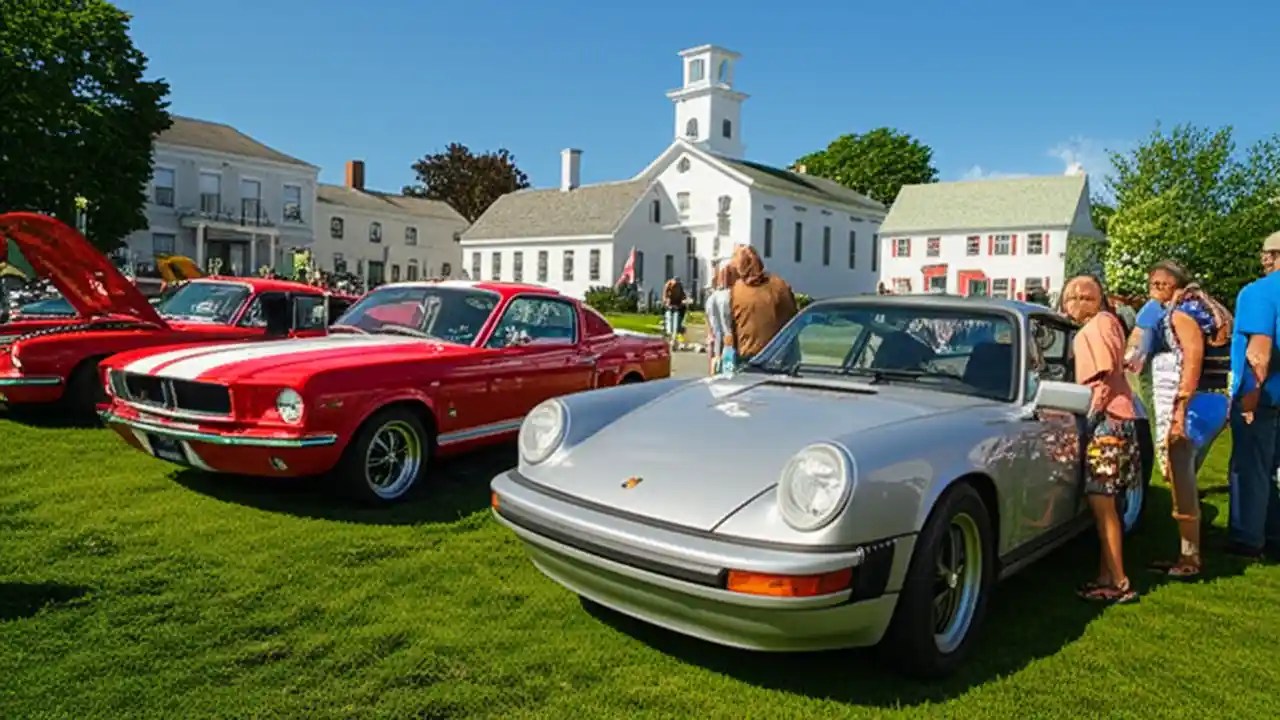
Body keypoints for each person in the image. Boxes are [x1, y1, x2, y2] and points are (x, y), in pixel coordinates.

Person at [1128, 260, 1232, 577]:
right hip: (1215, 400)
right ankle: (1188, 549)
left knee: (1181, 479)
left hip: (1198, 402)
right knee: (1181, 476)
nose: (1154, 292)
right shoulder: (1206, 305)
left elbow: (1192, 359)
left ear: (1171, 285)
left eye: (1158, 285)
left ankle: (1189, 559)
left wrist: (1180, 412)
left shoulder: (1183, 313)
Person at [1061, 275, 1141, 603]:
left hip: (1109, 424)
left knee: (1103, 504)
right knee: (1107, 505)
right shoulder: (1100, 324)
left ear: (1102, 300)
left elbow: (1105, 376)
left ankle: (1119, 582)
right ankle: (1105, 575)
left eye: (1088, 297)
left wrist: (1092, 416)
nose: (1079, 303)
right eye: (1072, 297)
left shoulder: (1101, 324)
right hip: (1117, 421)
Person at [1226, 231, 1280, 559]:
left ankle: (1247, 538)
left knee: (1250, 468)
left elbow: (1258, 353)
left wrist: (1248, 398)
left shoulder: (1259, 293)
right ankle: (1273, 531)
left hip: (1265, 397)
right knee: (1272, 469)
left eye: (1265, 253)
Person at [728, 245, 797, 366]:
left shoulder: (736, 290)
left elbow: (732, 326)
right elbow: (793, 321)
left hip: (748, 355)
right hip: (779, 355)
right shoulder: (780, 285)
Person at [703, 264, 737, 374]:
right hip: (729, 342)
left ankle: (714, 367)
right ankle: (725, 370)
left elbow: (708, 320)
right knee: (727, 335)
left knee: (714, 336)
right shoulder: (731, 295)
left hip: (716, 336)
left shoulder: (711, 297)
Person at [661, 276, 687, 349]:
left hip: (677, 306)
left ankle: (674, 337)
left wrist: (683, 302)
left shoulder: (680, 287)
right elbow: (664, 296)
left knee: (677, 322)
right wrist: (666, 303)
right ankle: (669, 333)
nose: (676, 286)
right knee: (669, 318)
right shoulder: (668, 285)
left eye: (677, 284)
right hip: (669, 306)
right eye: (675, 284)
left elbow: (683, 297)